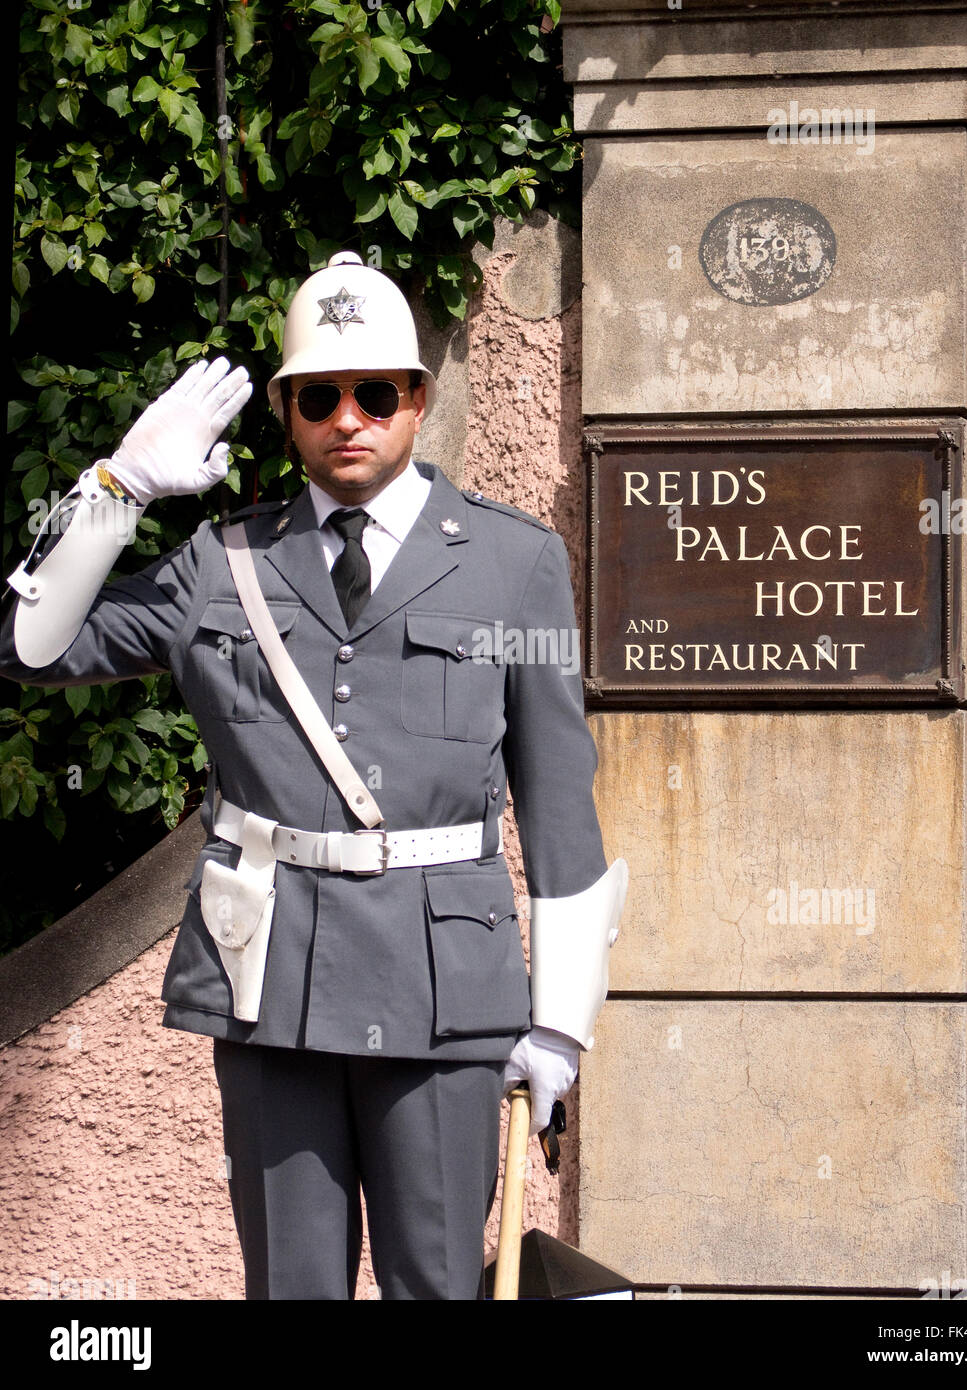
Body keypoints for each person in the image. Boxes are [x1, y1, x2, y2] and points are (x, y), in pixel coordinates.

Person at [0, 251, 627, 1300]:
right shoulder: (221, 562)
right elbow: (28, 646)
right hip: (273, 981)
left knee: (437, 1280)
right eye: (319, 397)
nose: (349, 418)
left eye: (374, 393)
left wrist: (559, 1022)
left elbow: (560, 803)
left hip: (445, 993)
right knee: (291, 1288)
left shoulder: (513, 563)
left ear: (416, 403)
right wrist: (118, 487)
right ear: (287, 412)